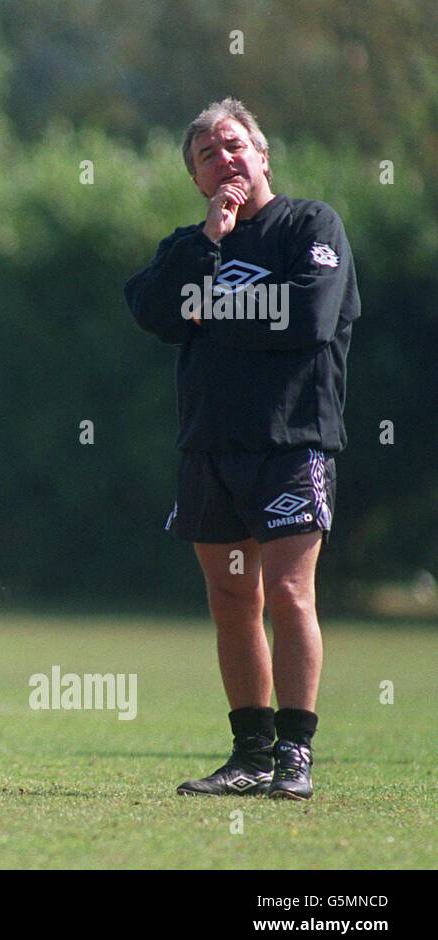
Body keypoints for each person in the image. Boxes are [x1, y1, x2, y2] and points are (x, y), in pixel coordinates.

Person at [124, 98, 359, 800]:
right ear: (197, 179)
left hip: (290, 442)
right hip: (209, 450)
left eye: (234, 145)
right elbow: (152, 310)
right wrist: (209, 243)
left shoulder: (311, 226)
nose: (224, 158)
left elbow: (310, 316)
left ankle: (295, 754)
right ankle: (251, 753)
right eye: (207, 154)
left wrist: (210, 309)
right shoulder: (192, 245)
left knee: (288, 593)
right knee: (232, 599)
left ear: (262, 155)